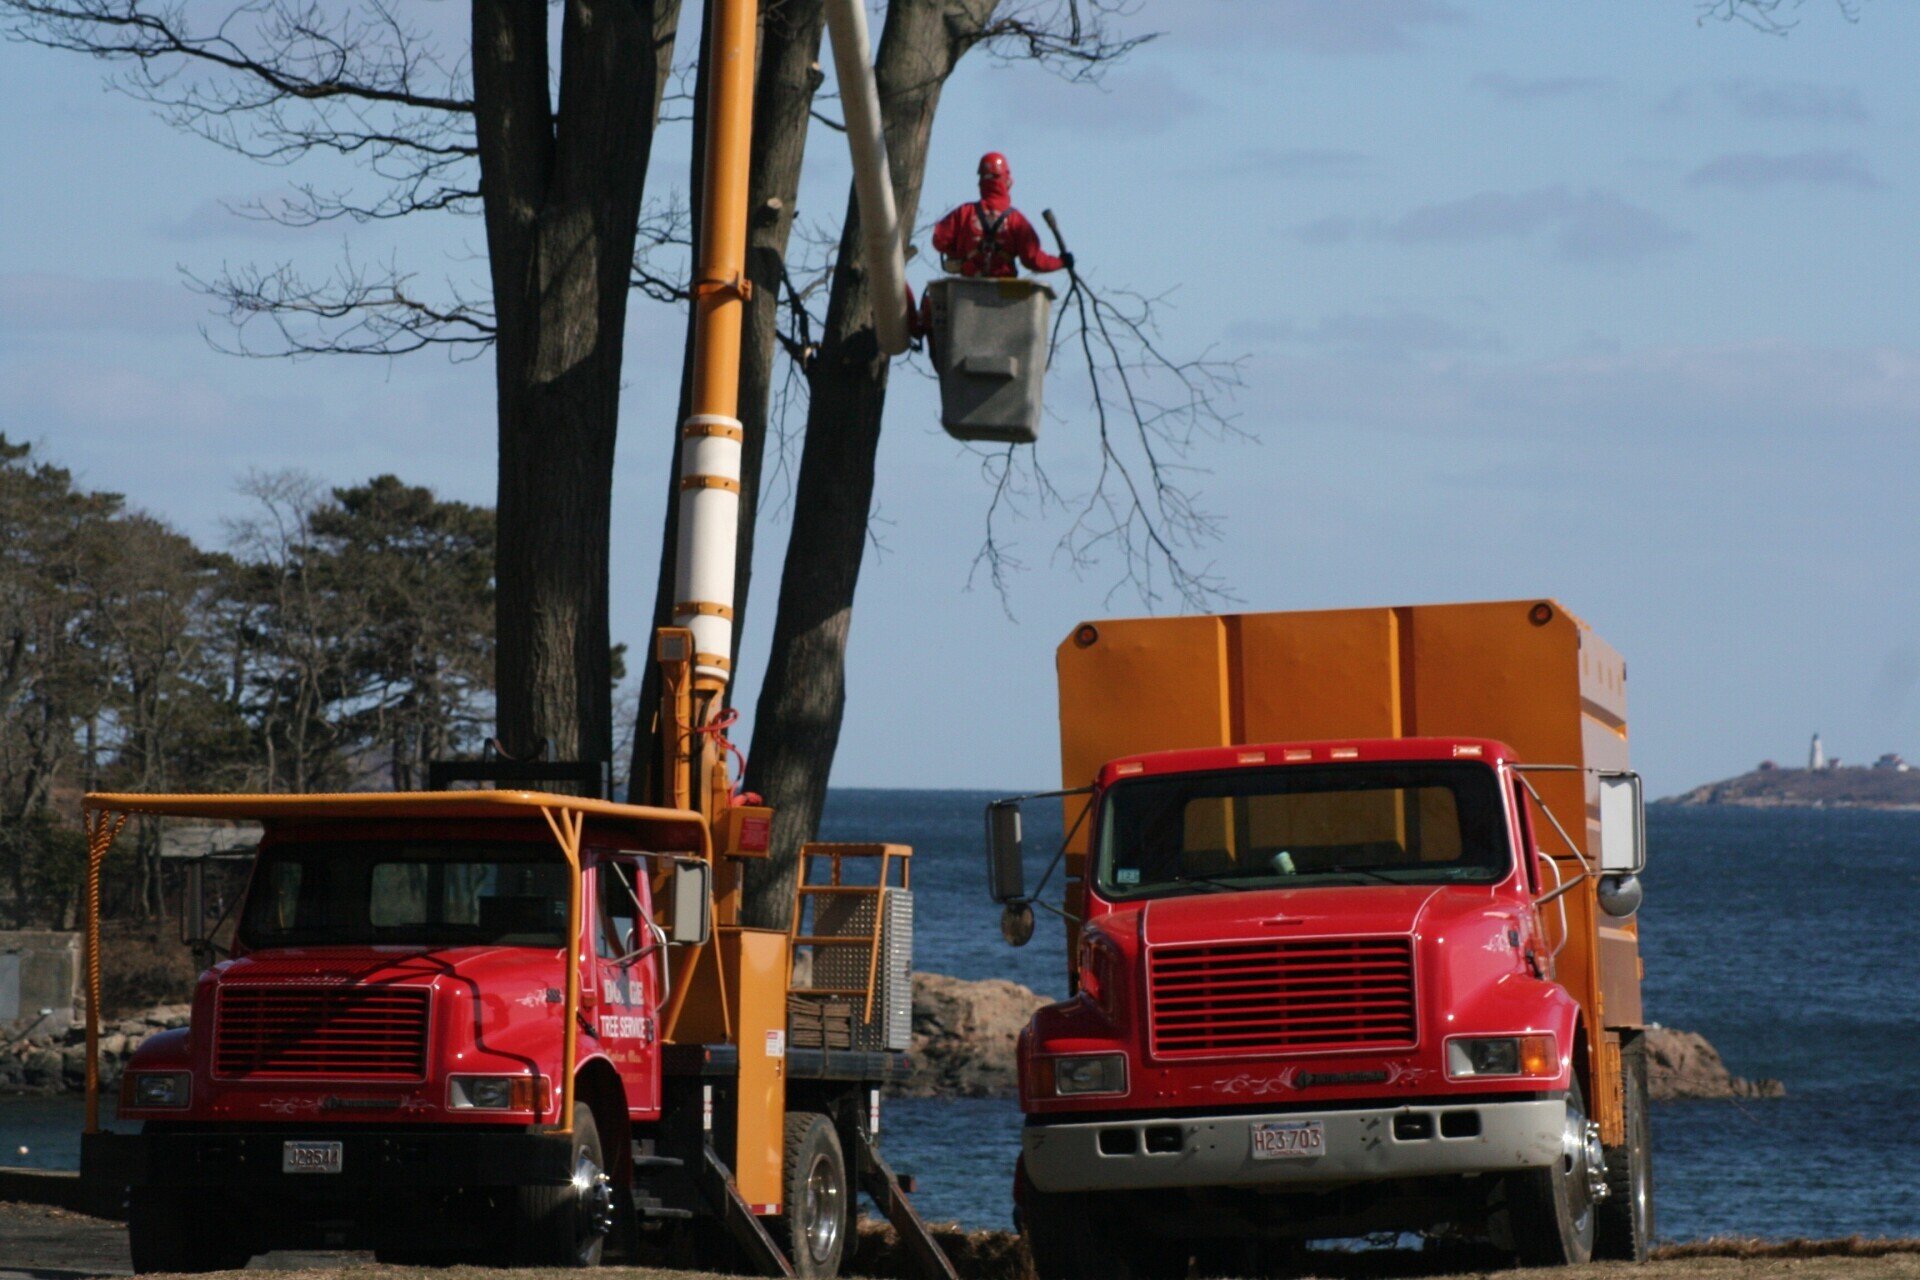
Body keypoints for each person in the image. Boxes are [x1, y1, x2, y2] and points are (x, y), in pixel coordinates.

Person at [930, 152, 1072, 279]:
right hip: (1004, 296)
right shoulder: (1017, 220)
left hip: (966, 291)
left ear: (981, 181)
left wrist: (960, 256)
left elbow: (939, 239)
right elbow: (1033, 259)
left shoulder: (963, 213)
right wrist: (1061, 263)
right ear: (1007, 180)